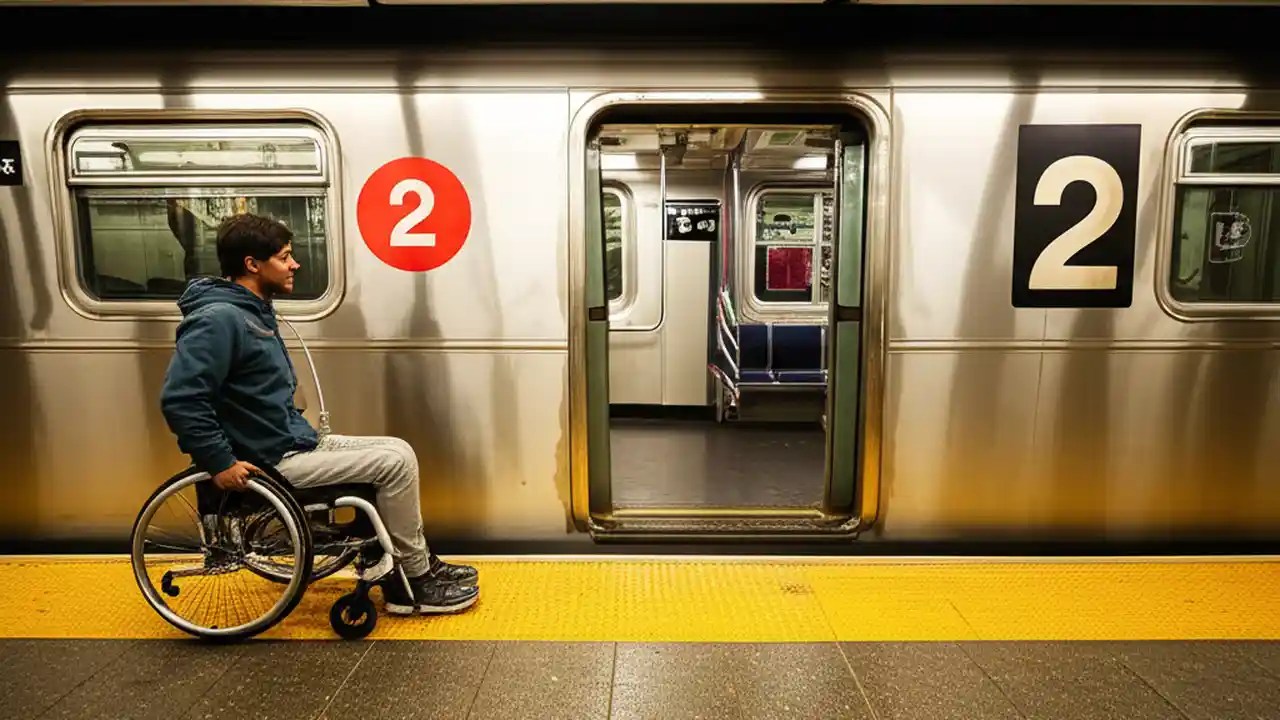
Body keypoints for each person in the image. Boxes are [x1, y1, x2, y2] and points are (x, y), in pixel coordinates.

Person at [159, 212, 478, 616]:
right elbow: (182, 398)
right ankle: (413, 581)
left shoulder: (252, 312)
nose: (295, 265)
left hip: (288, 440)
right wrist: (219, 461)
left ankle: (405, 563)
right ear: (252, 265)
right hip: (267, 462)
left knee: (397, 448)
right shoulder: (219, 319)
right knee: (395, 464)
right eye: (285, 257)